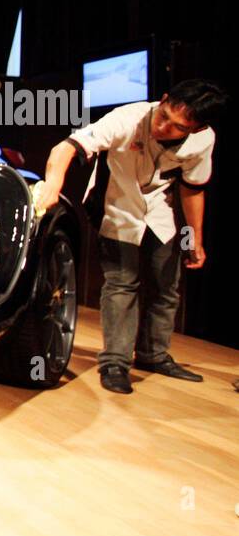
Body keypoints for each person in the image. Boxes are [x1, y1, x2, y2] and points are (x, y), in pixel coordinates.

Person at [34, 79, 227, 394]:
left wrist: (194, 240)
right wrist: (53, 187)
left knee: (167, 288)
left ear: (194, 129)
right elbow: (65, 148)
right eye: (164, 115)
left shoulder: (203, 141)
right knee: (122, 284)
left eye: (177, 127)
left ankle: (153, 355)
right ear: (163, 99)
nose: (164, 126)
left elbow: (192, 189)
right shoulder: (128, 117)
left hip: (159, 211)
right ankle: (115, 363)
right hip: (116, 205)